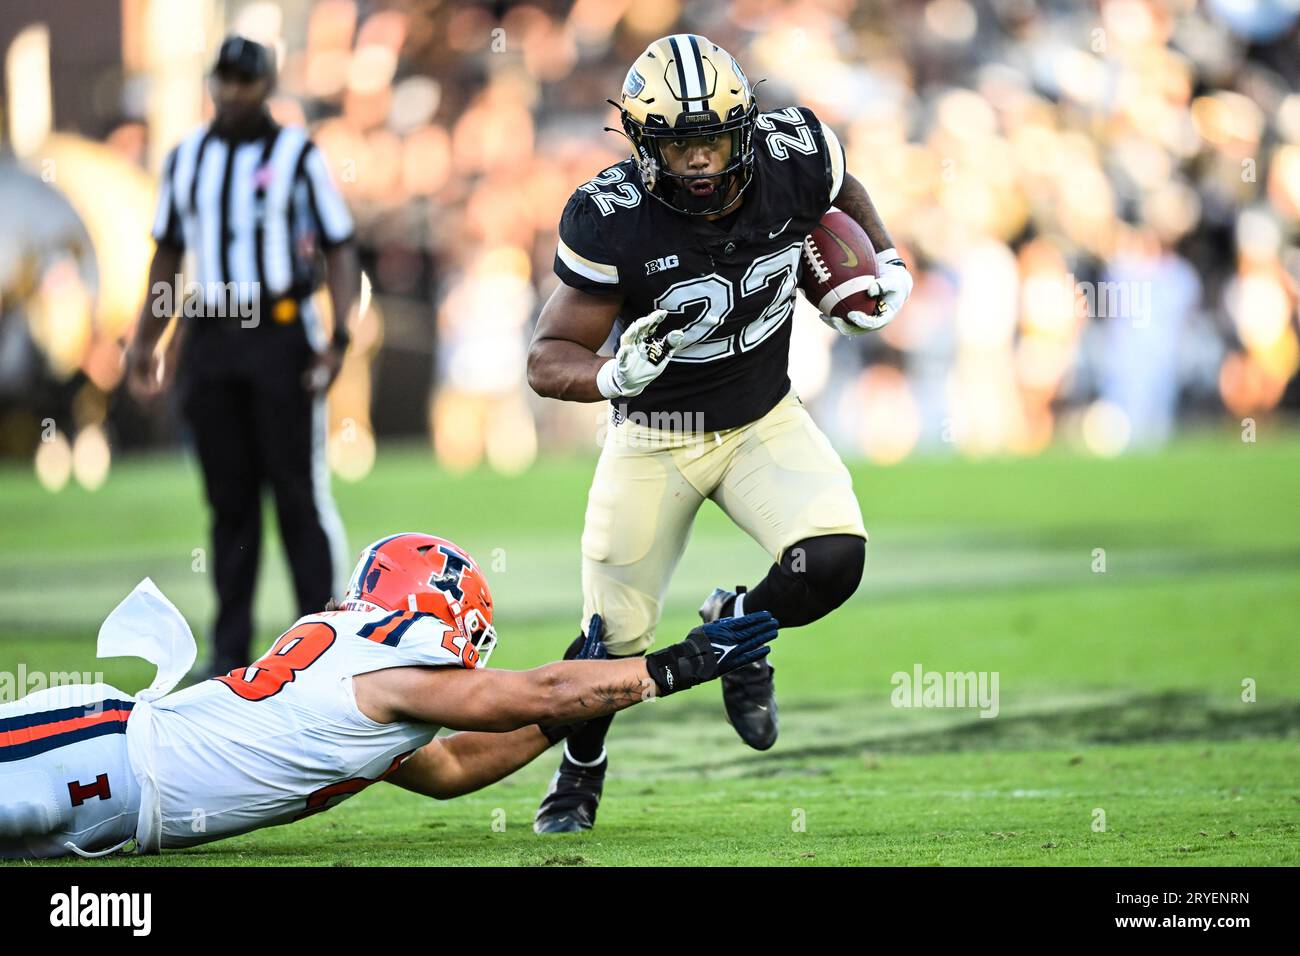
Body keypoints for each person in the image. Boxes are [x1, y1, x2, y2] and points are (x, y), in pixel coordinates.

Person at [525, 34, 913, 832]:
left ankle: (736, 623)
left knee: (832, 560)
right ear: (641, 143)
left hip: (760, 418)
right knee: (613, 641)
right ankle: (580, 768)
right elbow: (545, 359)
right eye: (676, 145)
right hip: (654, 434)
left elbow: (846, 191)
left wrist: (888, 258)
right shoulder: (612, 218)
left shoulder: (799, 152)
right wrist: (609, 376)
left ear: (744, 128)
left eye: (711, 140)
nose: (698, 162)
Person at [0, 533, 779, 858]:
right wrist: (682, 664)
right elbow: (532, 688)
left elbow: (449, 771)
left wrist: (576, 707)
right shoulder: (381, 674)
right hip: (96, 758)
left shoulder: (373, 700)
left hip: (118, 795)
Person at [124, 35, 359, 679]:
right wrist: (146, 339)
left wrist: (338, 339)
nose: (232, 92)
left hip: (281, 332)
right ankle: (230, 651)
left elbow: (341, 244)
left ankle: (325, 644)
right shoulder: (187, 157)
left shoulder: (298, 154)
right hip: (210, 334)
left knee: (297, 493)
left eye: (245, 81)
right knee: (229, 501)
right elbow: (167, 252)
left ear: (267, 85)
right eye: (224, 80)